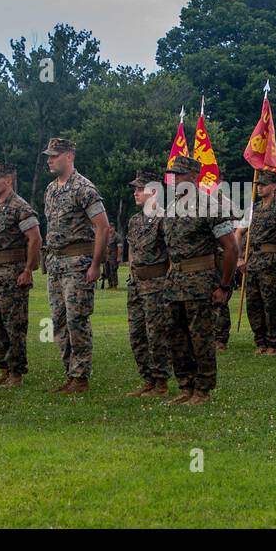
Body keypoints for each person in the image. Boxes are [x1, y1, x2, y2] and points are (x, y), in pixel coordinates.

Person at [160, 156, 238, 405]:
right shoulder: (171, 206)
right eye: (174, 175)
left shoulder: (210, 206)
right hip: (175, 282)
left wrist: (224, 285)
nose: (176, 180)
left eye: (181, 175)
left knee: (201, 336)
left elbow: (231, 249)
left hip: (201, 281)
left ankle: (203, 389)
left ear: (194, 177)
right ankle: (186, 386)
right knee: (176, 335)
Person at [41, 137, 110, 394]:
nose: (49, 159)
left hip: (77, 263)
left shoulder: (84, 188)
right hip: (56, 263)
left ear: (69, 156)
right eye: (48, 155)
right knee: (58, 321)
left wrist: (95, 264)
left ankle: (80, 377)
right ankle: (70, 372)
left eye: (54, 155)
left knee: (76, 319)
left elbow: (102, 227)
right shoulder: (50, 189)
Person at [0, 161, 41, 388]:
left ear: (9, 179)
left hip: (12, 277)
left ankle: (16, 373)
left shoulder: (20, 207)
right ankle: (4, 369)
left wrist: (28, 269)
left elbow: (35, 238)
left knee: (14, 327)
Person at [238, 171, 276, 355]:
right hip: (254, 260)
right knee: (253, 303)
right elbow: (239, 232)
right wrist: (240, 257)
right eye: (258, 185)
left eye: (263, 184)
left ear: (274, 186)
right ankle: (260, 341)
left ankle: (274, 342)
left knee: (271, 303)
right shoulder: (253, 209)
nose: (260, 187)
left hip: (272, 261)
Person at [125, 170, 172, 397]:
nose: (135, 193)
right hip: (136, 284)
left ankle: (160, 381)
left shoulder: (165, 219)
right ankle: (147, 379)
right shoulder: (135, 221)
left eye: (139, 189)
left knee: (157, 335)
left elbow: (172, 253)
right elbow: (132, 250)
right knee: (137, 334)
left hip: (156, 285)